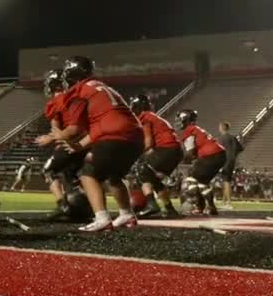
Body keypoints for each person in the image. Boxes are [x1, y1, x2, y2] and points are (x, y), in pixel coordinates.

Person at [36, 55, 142, 232]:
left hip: (114, 135)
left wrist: (56, 136)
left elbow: (74, 129)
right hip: (135, 137)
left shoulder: (80, 91)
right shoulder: (104, 87)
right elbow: (101, 126)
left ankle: (102, 218)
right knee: (114, 177)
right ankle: (127, 215)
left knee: (88, 173)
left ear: (71, 73)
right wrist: (79, 146)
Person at [39, 68, 87, 222]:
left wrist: (50, 138)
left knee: (48, 171)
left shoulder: (55, 102)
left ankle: (63, 205)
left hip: (70, 141)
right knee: (73, 177)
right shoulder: (77, 96)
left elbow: (56, 129)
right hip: (86, 141)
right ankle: (86, 209)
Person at [128, 94, 184, 218]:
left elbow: (148, 143)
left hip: (167, 148)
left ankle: (151, 205)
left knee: (142, 170)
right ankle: (170, 209)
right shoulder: (153, 116)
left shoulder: (145, 117)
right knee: (154, 179)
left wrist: (135, 155)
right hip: (176, 151)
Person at [176, 109, 226, 216]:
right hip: (219, 154)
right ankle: (206, 207)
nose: (178, 122)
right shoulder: (196, 129)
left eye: (180, 119)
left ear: (185, 119)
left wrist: (177, 160)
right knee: (202, 182)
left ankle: (195, 206)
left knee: (191, 179)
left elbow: (190, 153)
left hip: (211, 155)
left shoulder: (189, 130)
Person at [216, 121, 244, 211]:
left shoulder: (220, 139)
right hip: (232, 161)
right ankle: (224, 202)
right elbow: (241, 148)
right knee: (226, 180)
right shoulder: (233, 137)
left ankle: (228, 203)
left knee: (226, 181)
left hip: (225, 161)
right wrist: (233, 155)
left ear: (221, 128)